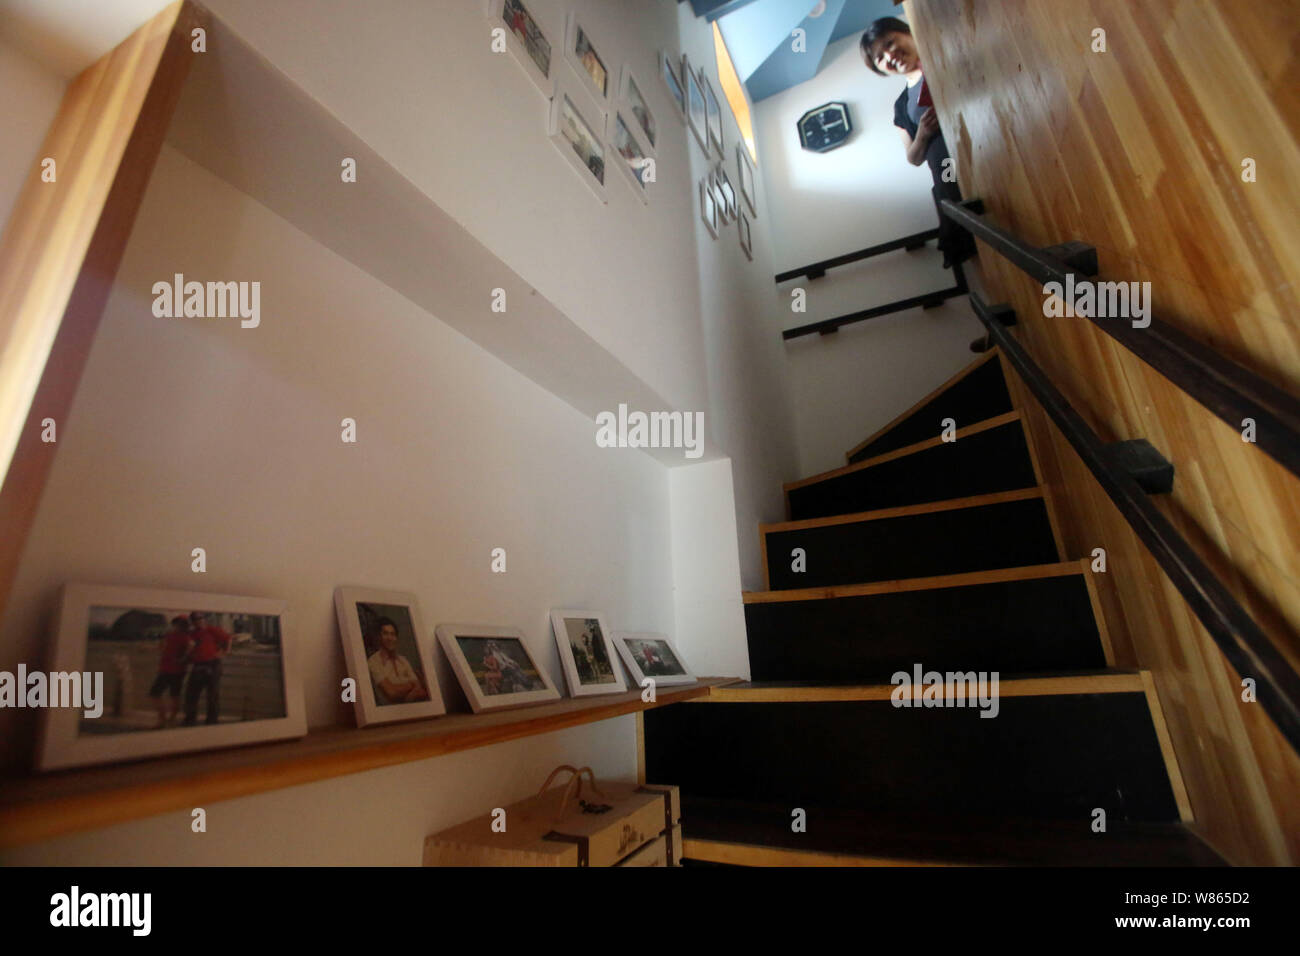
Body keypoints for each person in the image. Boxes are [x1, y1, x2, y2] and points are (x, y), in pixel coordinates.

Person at [861, 17, 976, 269]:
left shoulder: (943, 53)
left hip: (982, 148)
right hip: (950, 178)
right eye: (880, 57)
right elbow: (913, 158)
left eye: (890, 42)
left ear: (907, 33)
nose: (890, 55)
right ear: (880, 69)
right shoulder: (901, 105)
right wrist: (923, 132)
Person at [182, 610, 232, 725]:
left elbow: (228, 638)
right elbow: (189, 648)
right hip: (198, 666)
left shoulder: (211, 629)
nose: (198, 621)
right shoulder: (192, 633)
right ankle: (190, 719)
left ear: (204, 619)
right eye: (195, 619)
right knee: (191, 694)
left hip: (213, 665)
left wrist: (225, 652)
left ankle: (212, 721)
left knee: (212, 695)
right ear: (192, 622)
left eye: (200, 618)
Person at [366, 617, 428, 704]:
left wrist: (406, 692)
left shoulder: (403, 660)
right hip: (387, 714)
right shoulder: (373, 662)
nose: (390, 638)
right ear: (379, 637)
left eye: (393, 634)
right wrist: (411, 686)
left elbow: (421, 691)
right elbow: (391, 693)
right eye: (385, 634)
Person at [149, 615, 192, 728]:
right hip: (167, 669)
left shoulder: (185, 638)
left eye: (178, 624)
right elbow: (161, 648)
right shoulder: (170, 636)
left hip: (175, 670)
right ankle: (165, 719)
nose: (176, 626)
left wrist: (179, 659)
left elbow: (189, 652)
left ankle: (167, 719)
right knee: (163, 694)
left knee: (167, 695)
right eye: (176, 624)